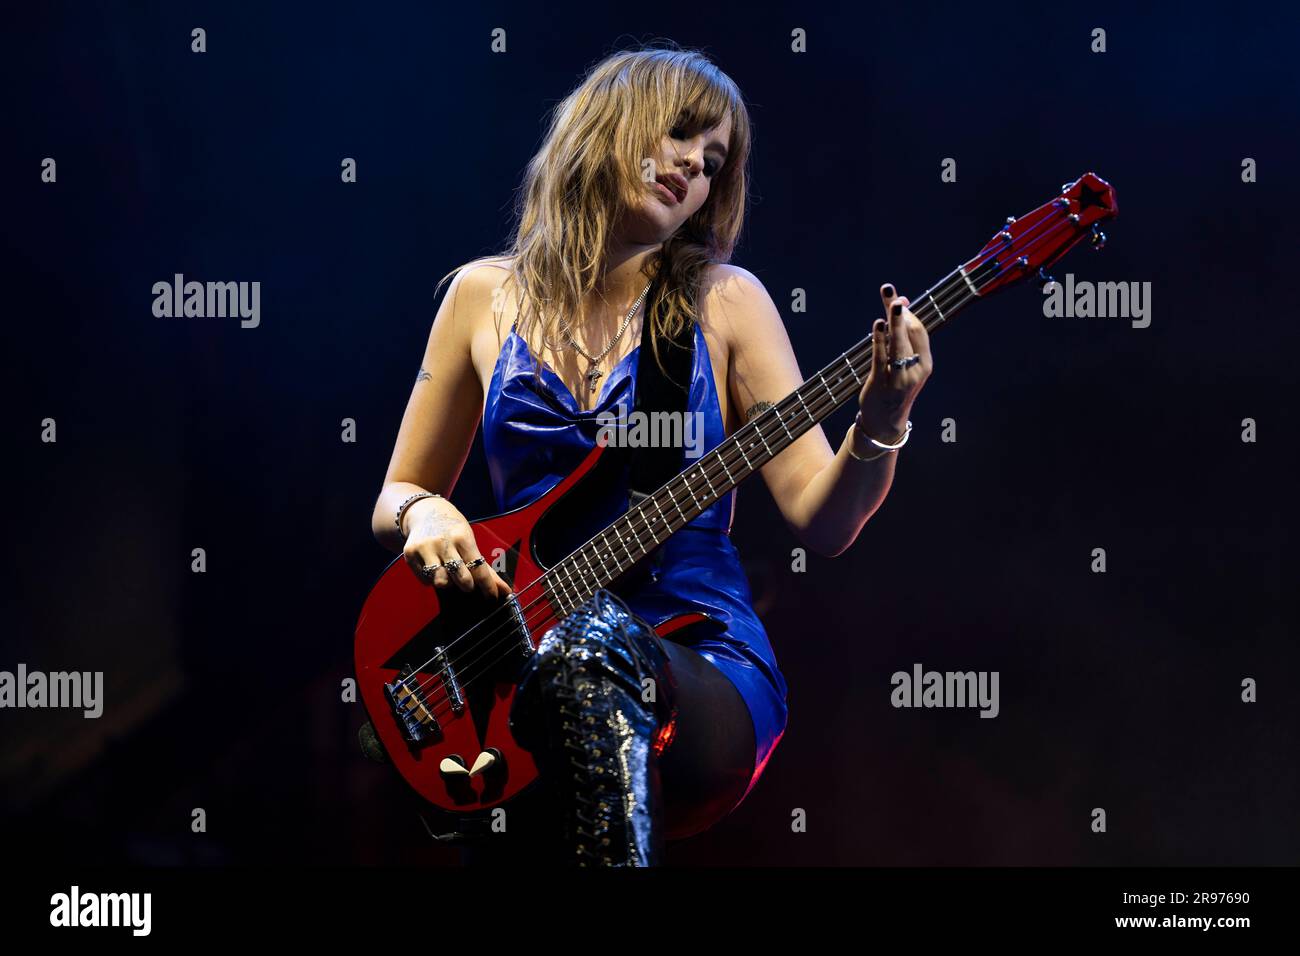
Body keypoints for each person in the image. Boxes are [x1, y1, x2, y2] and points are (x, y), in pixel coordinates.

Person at [369, 44, 933, 866]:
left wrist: (884, 416)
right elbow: (396, 492)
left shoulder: (727, 302)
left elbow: (825, 518)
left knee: (591, 642)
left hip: (699, 656)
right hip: (517, 668)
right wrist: (424, 511)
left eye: (711, 164)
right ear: (609, 122)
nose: (691, 169)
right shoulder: (478, 297)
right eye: (678, 135)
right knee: (567, 669)